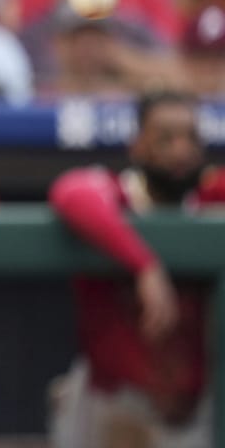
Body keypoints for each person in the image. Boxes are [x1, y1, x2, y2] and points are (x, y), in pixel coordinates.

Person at [48, 90, 219, 447]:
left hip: (189, 415)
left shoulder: (207, 200)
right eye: (165, 139)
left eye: (191, 138)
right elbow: (71, 192)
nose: (181, 151)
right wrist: (145, 267)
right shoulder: (116, 194)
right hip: (112, 410)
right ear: (137, 145)